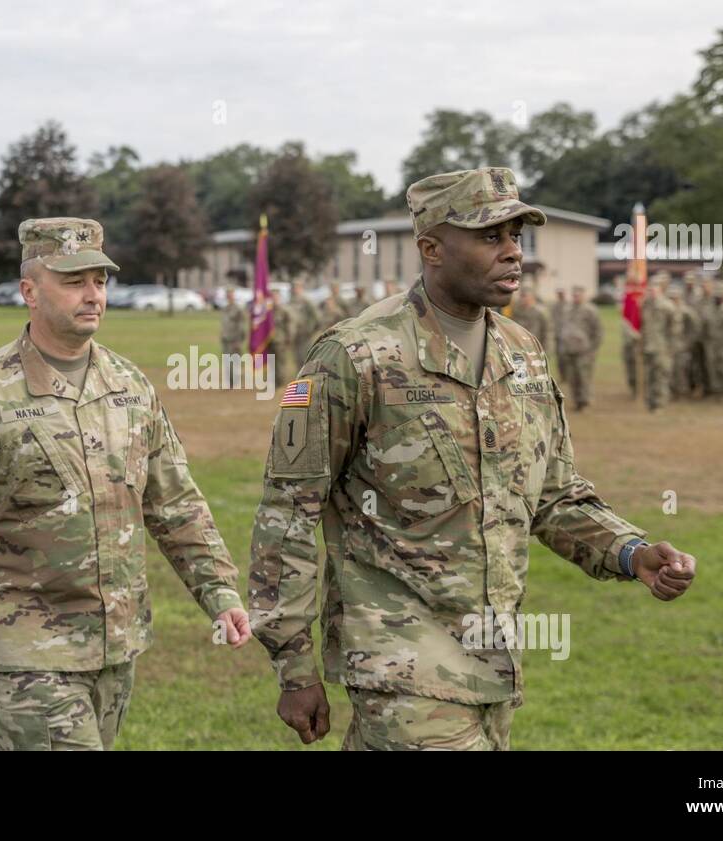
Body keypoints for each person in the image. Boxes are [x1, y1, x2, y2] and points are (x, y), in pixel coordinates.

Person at [248, 167, 697, 751]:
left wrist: (631, 551)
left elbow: (554, 494)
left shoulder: (523, 352)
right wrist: (294, 666)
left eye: (516, 236)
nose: (512, 252)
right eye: (491, 237)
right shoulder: (354, 355)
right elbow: (288, 512)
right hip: (400, 666)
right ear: (431, 248)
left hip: (495, 661)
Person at [0, 217, 250, 751]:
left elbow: (174, 502)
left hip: (115, 648)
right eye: (74, 281)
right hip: (26, 654)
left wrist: (218, 591)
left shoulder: (129, 386)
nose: (93, 294)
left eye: (99, 280)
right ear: (29, 291)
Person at [557, 285, 602, 410]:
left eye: (578, 295)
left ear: (584, 295)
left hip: (584, 351)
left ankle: (585, 401)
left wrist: (592, 349)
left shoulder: (590, 310)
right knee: (572, 377)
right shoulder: (567, 309)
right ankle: (577, 400)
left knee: (584, 377)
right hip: (569, 349)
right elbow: (563, 328)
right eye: (574, 295)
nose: (576, 297)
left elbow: (598, 331)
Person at [640, 276, 676, 412]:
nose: (652, 291)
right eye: (650, 288)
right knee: (649, 376)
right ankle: (650, 403)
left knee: (660, 377)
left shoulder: (667, 306)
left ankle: (660, 404)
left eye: (655, 288)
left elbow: (674, 330)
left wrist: (669, 348)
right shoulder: (646, 305)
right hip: (648, 347)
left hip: (662, 347)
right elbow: (644, 327)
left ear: (661, 289)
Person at [219, 286, 248, 384]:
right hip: (226, 339)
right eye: (227, 294)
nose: (229, 296)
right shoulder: (225, 308)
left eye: (231, 294)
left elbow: (242, 326)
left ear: (234, 295)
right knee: (227, 361)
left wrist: (239, 340)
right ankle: (229, 381)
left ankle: (236, 381)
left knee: (235, 361)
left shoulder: (238, 309)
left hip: (234, 339)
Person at [509, 283, 551, 350]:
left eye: (524, 296)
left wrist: (545, 350)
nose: (522, 299)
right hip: (520, 346)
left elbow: (547, 332)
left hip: (536, 347)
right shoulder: (517, 310)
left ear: (531, 297)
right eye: (521, 296)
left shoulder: (540, 312)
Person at [290, 280, 321, 364]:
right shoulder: (291, 302)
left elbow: (317, 317)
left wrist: (310, 330)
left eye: (297, 288)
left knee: (305, 358)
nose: (295, 290)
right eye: (294, 288)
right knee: (297, 359)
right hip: (296, 336)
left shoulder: (307, 302)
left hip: (305, 336)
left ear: (301, 289)